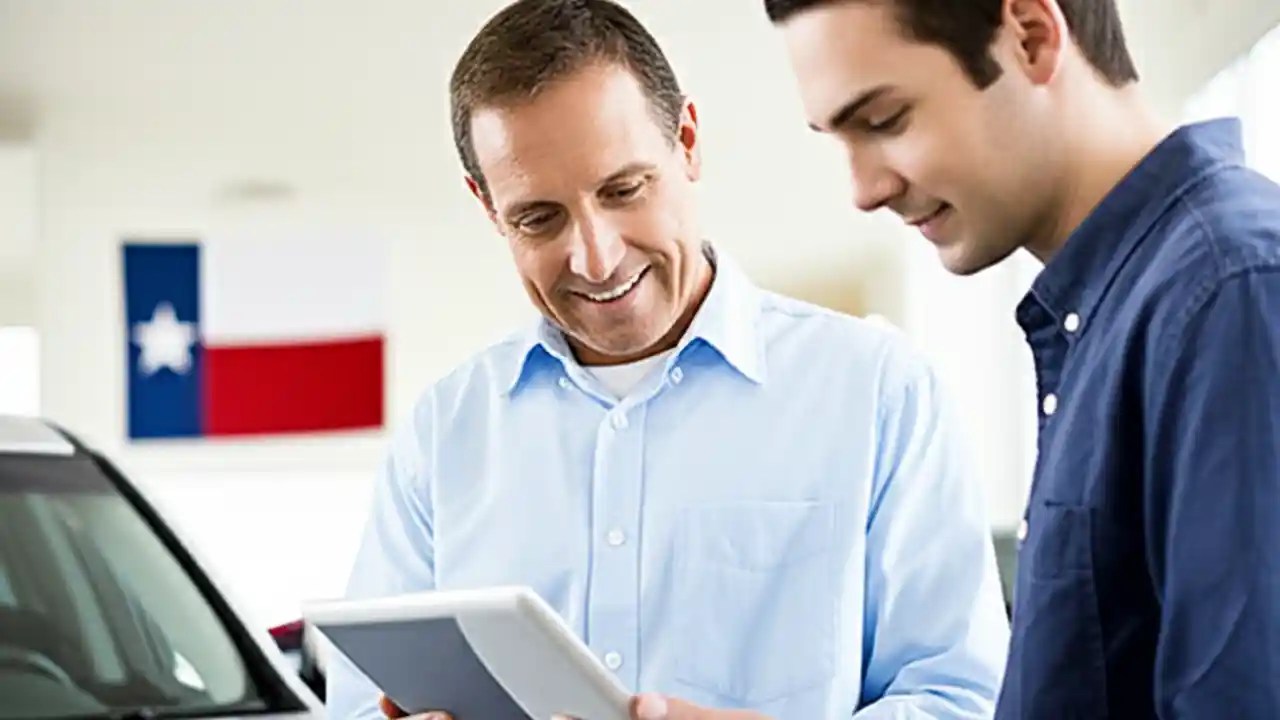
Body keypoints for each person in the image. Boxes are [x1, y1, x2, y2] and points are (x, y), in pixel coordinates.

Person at [326, 1, 1011, 719]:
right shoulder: (444, 434)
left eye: (623, 190)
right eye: (539, 218)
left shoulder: (877, 392)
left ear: (686, 142)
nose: (596, 258)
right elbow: (357, 705)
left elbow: (962, 701)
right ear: (490, 208)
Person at [630, 0, 1280, 718]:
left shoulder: (1231, 292)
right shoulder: (1120, 313)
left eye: (885, 121)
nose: (864, 190)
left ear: (1030, 36)